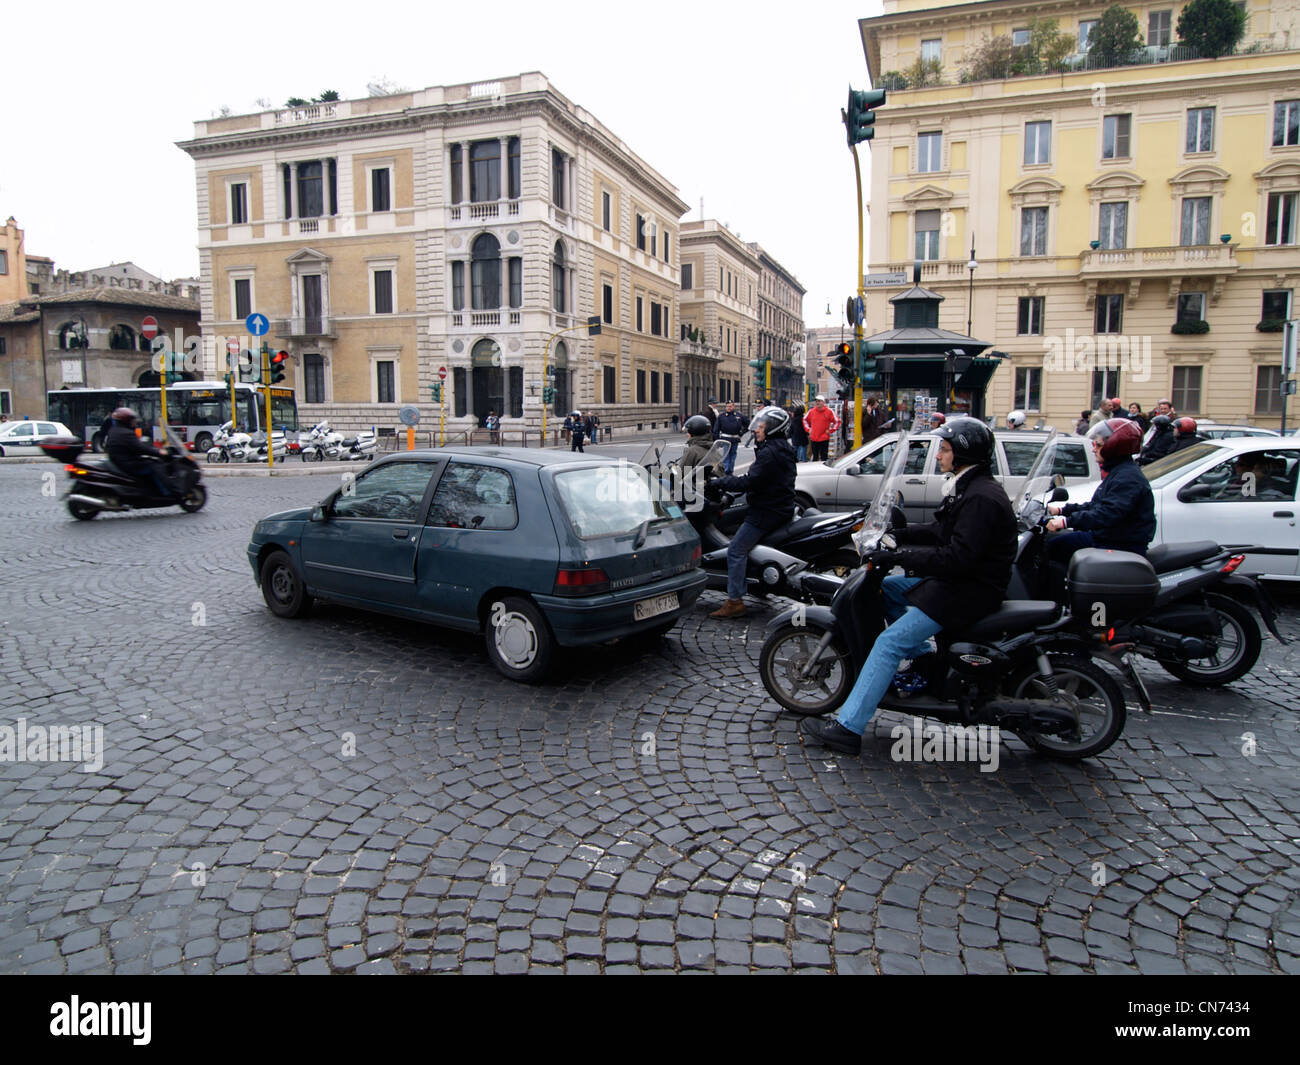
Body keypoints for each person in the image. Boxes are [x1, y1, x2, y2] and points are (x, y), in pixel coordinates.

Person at [800, 418, 1018, 755]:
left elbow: (956, 558)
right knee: (887, 590)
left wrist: (900, 556)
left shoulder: (980, 498)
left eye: (945, 450)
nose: (939, 456)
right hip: (958, 582)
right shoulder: (968, 487)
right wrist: (896, 536)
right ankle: (924, 660)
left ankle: (847, 728)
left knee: (888, 643)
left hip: (966, 592)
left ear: (962, 454)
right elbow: (938, 532)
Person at [704, 406, 797, 619]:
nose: (756, 430)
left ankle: (734, 600)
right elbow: (758, 481)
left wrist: (720, 482)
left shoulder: (770, 452)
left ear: (773, 429)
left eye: (761, 426)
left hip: (768, 510)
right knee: (731, 515)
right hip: (777, 503)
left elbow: (750, 481)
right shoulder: (780, 448)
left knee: (735, 550)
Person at [1046, 417, 1155, 578]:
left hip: (1118, 543)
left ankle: (1061, 595)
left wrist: (1065, 521)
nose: (1093, 448)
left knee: (1053, 546)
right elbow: (1097, 505)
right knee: (1057, 540)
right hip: (1109, 537)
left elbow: (1107, 514)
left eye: (1098, 444)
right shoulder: (1120, 472)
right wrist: (1062, 509)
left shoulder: (1127, 477)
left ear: (1113, 448)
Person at [105, 408, 173, 498]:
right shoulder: (126, 433)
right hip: (128, 464)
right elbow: (141, 448)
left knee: (150, 462)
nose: (134, 423)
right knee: (155, 465)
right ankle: (167, 492)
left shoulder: (114, 431)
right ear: (126, 421)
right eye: (132, 420)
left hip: (119, 461)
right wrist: (159, 452)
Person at [803, 395, 840, 462]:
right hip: (814, 438)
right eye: (816, 401)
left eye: (819, 401)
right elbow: (804, 419)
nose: (817, 402)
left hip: (824, 438)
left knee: (824, 457)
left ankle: (823, 471)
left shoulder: (829, 411)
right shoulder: (811, 411)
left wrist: (831, 430)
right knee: (815, 457)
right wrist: (808, 429)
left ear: (823, 402)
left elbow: (837, 421)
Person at [715, 401, 748, 474]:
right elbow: (716, 428)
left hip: (735, 439)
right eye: (727, 406)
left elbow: (747, 423)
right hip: (725, 439)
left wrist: (741, 432)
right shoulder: (722, 416)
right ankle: (725, 471)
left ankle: (730, 471)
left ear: (733, 407)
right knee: (726, 456)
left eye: (730, 406)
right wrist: (717, 439)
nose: (729, 408)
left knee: (733, 456)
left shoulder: (739, 415)